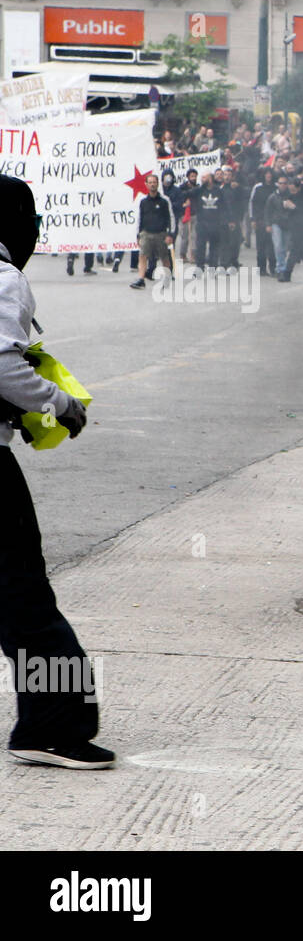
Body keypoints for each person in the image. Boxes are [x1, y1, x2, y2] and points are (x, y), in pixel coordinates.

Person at [0, 175, 113, 769]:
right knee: (23, 593)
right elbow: (1, 366)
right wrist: (58, 405)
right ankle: (51, 724)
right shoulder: (3, 276)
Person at [129, 173, 175, 290]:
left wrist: (170, 234)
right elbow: (139, 218)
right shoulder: (143, 201)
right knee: (143, 256)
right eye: (150, 183)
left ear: (158, 183)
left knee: (164, 257)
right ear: (146, 185)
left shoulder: (165, 200)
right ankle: (141, 279)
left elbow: (171, 217)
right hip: (146, 233)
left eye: (154, 182)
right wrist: (138, 234)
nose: (152, 185)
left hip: (161, 233)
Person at [249, 168, 277, 277]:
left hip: (273, 220)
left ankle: (273, 268)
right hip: (260, 220)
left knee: (272, 246)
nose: (268, 176)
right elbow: (252, 203)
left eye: (270, 174)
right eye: (267, 174)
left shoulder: (276, 187)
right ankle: (261, 269)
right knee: (261, 246)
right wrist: (252, 219)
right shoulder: (258, 187)